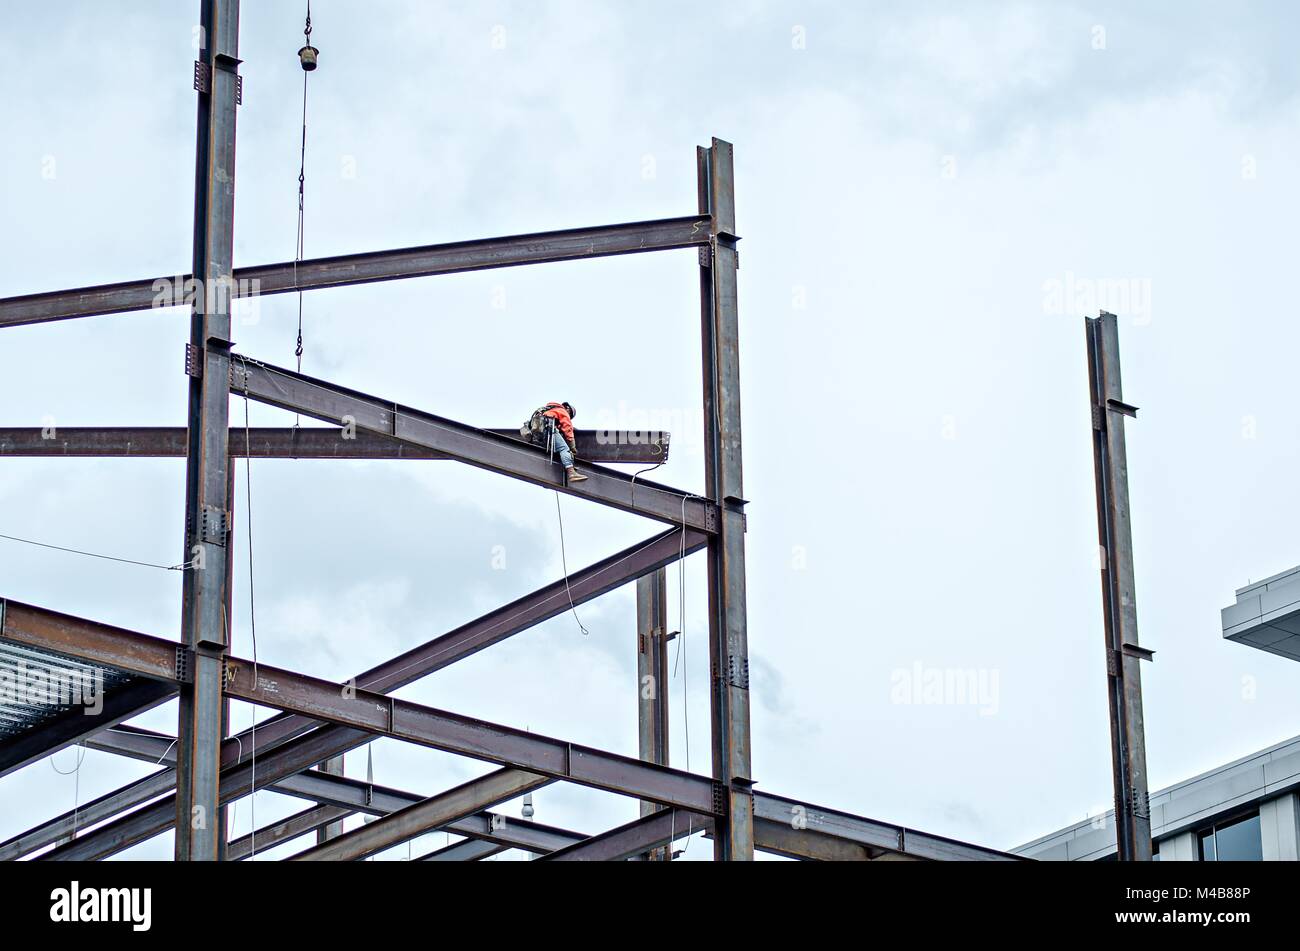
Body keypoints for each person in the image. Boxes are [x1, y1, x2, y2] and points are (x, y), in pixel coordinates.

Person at [540, 401, 587, 484]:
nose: (569, 417)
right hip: (549, 429)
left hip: (541, 433)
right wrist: (572, 447)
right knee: (564, 449)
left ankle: (568, 464)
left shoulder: (550, 410)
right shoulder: (562, 411)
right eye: (570, 416)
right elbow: (568, 428)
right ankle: (571, 473)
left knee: (559, 448)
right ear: (568, 409)